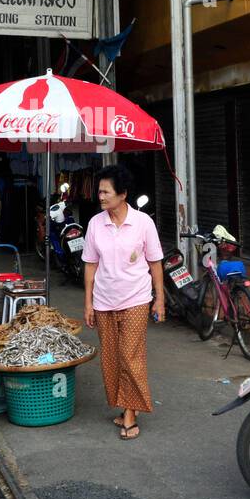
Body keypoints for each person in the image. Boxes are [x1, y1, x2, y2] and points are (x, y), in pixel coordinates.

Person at [82, 164, 164, 441]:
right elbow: (91, 265)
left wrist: (159, 300)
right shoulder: (96, 223)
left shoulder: (143, 223)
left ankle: (130, 414)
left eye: (106, 192)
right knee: (111, 359)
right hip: (104, 300)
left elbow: (155, 262)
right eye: (100, 191)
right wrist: (88, 303)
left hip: (136, 299)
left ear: (122, 194)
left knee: (130, 355)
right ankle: (129, 405)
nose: (101, 196)